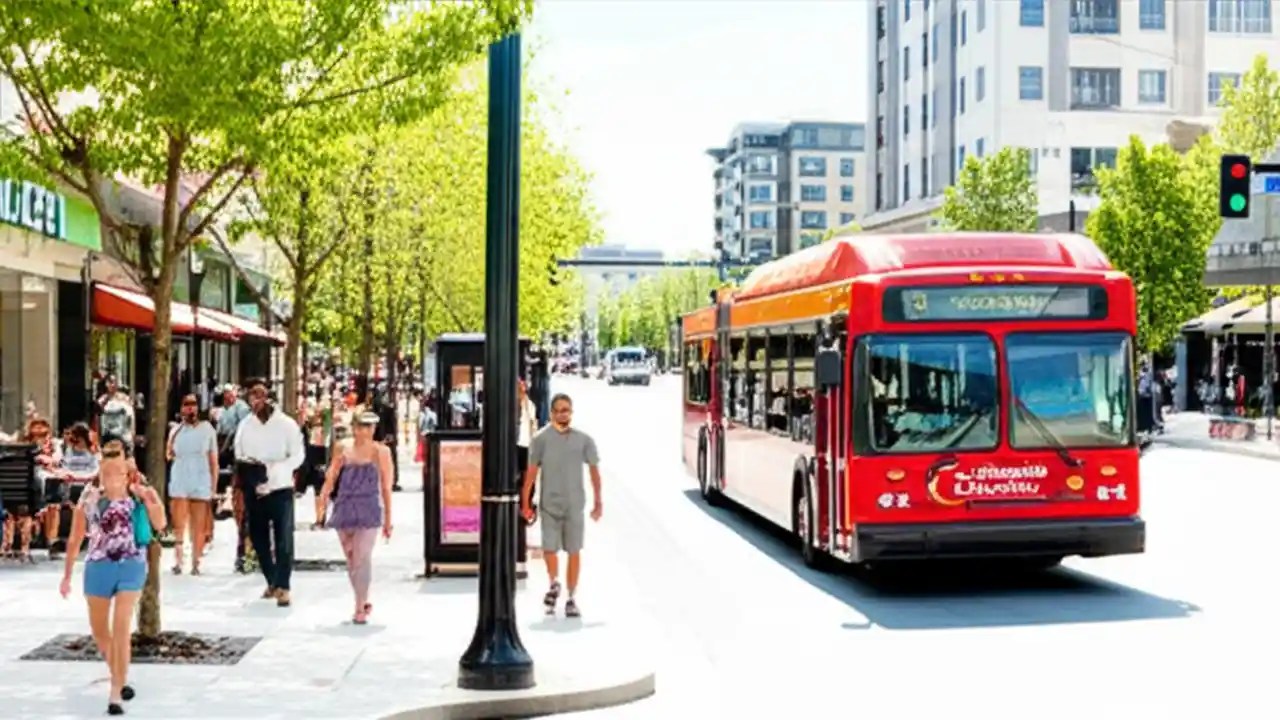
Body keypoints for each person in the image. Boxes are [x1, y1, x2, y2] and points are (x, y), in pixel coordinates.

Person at [60, 437, 166, 716]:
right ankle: (118, 673)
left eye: (116, 471)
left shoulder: (138, 491)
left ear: (126, 469)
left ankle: (115, 692)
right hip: (98, 566)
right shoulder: (89, 495)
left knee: (121, 625)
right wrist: (67, 574)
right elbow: (75, 538)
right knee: (99, 630)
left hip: (131, 563)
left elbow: (161, 524)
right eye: (105, 472)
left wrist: (149, 498)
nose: (111, 478)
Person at [520, 393, 602, 618]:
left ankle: (571, 597)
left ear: (571, 412)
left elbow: (594, 471)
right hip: (549, 504)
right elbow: (531, 474)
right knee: (549, 548)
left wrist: (598, 502)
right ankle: (554, 582)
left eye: (566, 410)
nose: (563, 414)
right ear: (552, 413)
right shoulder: (541, 440)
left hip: (574, 505)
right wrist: (525, 502)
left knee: (574, 550)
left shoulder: (584, 440)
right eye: (558, 410)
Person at [234, 379, 304, 606]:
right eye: (251, 396)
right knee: (257, 536)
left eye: (259, 395)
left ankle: (284, 585)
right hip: (255, 488)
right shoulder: (245, 425)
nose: (255, 400)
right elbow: (239, 452)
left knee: (283, 538)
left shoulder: (286, 425)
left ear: (268, 397)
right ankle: (271, 579)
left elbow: (297, 455)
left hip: (280, 486)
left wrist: (277, 469)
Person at [320, 411, 394, 624]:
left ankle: (359, 606)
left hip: (368, 507)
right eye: (360, 426)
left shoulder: (381, 452)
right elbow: (332, 474)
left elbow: (386, 486)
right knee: (352, 558)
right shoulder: (343, 448)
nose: (364, 431)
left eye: (368, 427)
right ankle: (361, 598)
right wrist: (324, 497)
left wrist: (388, 518)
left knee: (362, 556)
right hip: (344, 505)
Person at [166, 395, 218, 575]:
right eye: (186, 405)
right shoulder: (175, 430)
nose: (190, 409)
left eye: (193, 405)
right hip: (180, 476)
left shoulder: (207, 429)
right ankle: (179, 561)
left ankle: (196, 562)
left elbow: (213, 460)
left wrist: (214, 485)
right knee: (179, 523)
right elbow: (169, 453)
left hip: (201, 476)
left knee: (199, 524)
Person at [373, 391, 401, 492]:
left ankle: (389, 481)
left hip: (383, 439)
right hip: (386, 440)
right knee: (389, 461)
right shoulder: (387, 409)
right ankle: (391, 481)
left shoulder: (378, 409)